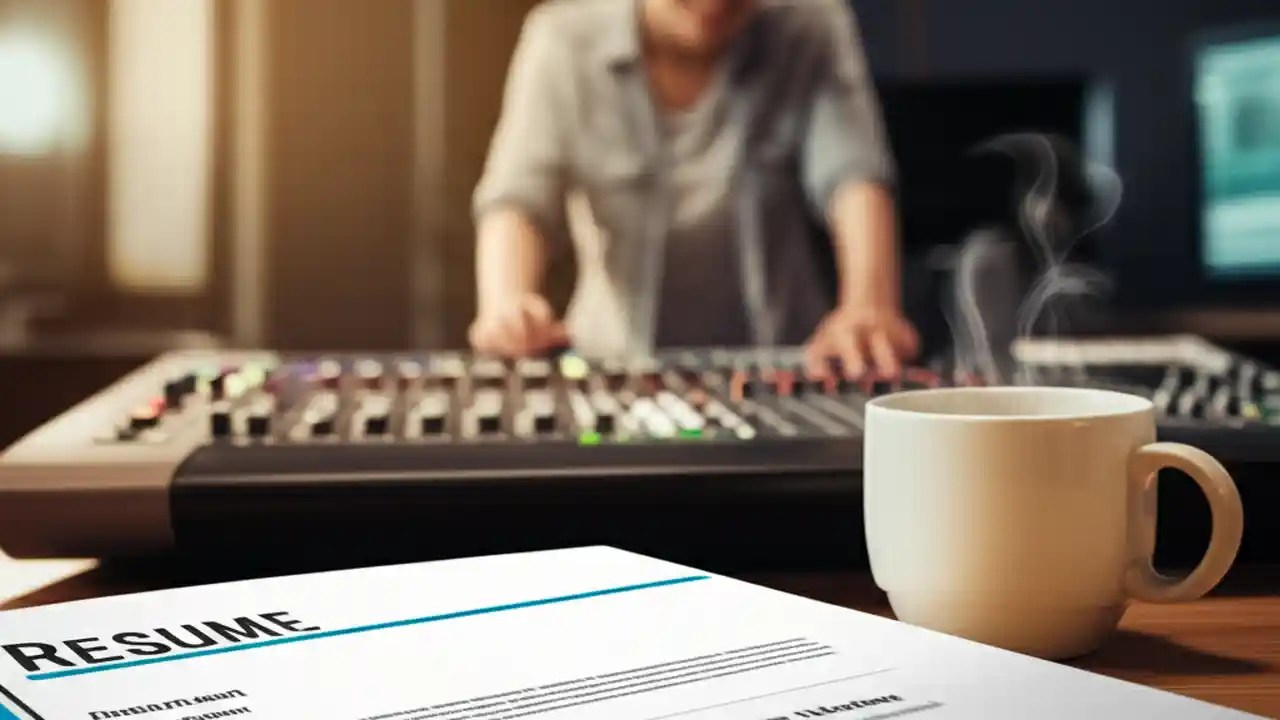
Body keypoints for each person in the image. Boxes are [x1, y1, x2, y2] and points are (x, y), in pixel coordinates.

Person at [469, 0, 920, 377]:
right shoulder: (561, 38)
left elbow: (854, 176)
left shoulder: (811, 26)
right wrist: (507, 302)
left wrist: (869, 304)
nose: (710, 7)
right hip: (611, 362)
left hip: (786, 363)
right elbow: (517, 197)